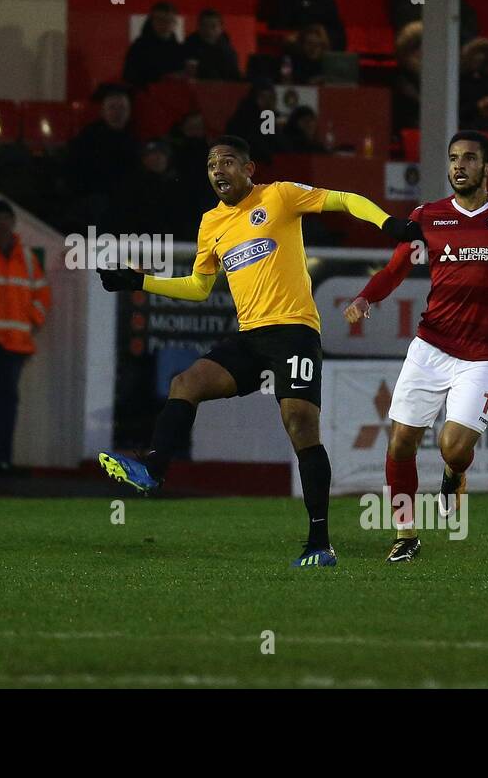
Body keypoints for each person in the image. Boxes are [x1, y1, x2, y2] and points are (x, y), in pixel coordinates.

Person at [94, 136, 423, 568]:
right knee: (186, 383)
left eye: (228, 161)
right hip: (250, 337)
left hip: (294, 332)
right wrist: (139, 282)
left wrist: (388, 224)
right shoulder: (211, 223)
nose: (218, 170)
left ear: (249, 169)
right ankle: (154, 469)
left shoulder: (280, 196)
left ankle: (320, 544)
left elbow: (343, 199)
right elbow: (198, 287)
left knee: (299, 422)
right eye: (211, 164)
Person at [343, 131, 488, 564]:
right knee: (401, 442)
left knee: (454, 446)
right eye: (454, 158)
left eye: (469, 158)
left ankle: (453, 474)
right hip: (431, 345)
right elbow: (395, 268)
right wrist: (366, 297)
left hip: (484, 353)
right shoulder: (427, 216)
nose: (459, 165)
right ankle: (406, 535)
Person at [0, 201, 51, 474]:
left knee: (7, 402)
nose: (3, 223)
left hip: (15, 342)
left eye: (7, 218)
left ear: (13, 223)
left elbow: (42, 294)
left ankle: (2, 459)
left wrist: (32, 318)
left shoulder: (26, 257)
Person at [65, 83, 139, 231]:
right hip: (94, 206)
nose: (118, 113)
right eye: (112, 108)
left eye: (122, 108)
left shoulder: (134, 139)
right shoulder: (88, 138)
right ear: (103, 111)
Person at [122, 1, 184, 87]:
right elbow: (129, 77)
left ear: (175, 23)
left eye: (169, 21)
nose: (165, 25)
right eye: (160, 20)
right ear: (152, 21)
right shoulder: (139, 48)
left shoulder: (179, 49)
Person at [224, 78, 280, 164]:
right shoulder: (244, 117)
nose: (268, 102)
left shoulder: (268, 116)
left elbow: (274, 140)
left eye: (271, 98)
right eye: (264, 97)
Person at [458, 37, 488, 131]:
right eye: (476, 54)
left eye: (483, 54)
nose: (480, 58)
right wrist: (477, 106)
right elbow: (456, 111)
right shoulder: (459, 81)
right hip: (467, 125)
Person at [181, 8, 240, 81]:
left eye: (213, 26)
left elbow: (235, 76)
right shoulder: (188, 48)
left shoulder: (228, 51)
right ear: (198, 27)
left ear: (221, 28)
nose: (208, 30)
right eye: (204, 25)